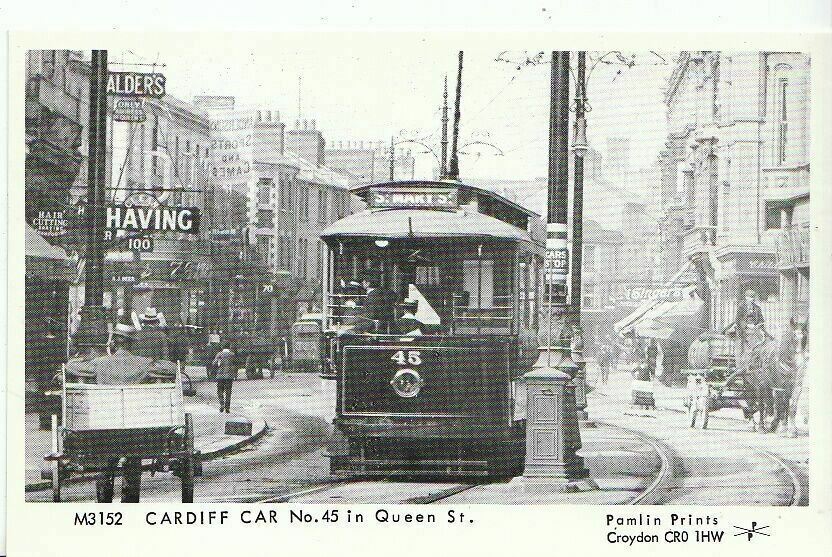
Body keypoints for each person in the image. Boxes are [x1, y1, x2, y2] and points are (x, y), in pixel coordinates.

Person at [88, 324, 156, 503]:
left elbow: (72, 367)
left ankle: (103, 504)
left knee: (105, 466)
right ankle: (130, 505)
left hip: (106, 425)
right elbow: (171, 369)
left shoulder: (99, 363)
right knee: (133, 466)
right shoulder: (145, 364)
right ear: (132, 344)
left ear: (114, 343)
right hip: (134, 429)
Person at [213, 343, 236, 413]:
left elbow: (214, 363)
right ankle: (227, 408)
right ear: (229, 347)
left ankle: (222, 404)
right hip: (229, 376)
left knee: (220, 391)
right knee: (228, 392)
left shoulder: (219, 354)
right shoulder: (232, 355)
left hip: (220, 376)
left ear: (222, 347)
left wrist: (218, 363)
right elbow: (235, 365)